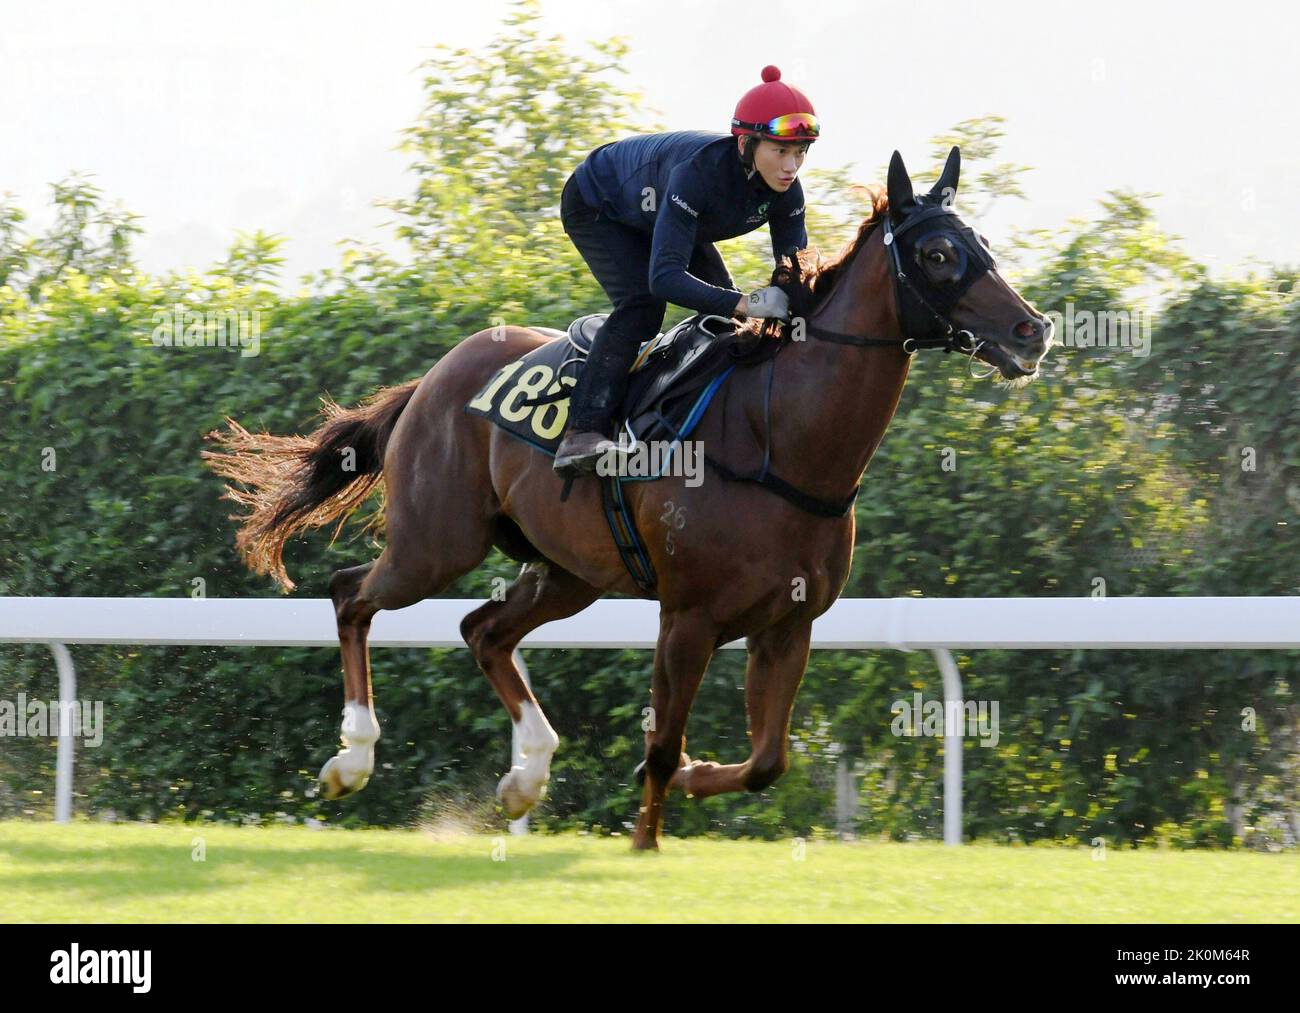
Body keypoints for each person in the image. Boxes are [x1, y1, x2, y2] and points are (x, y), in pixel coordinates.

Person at [553, 64, 819, 477]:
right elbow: (665, 278)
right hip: (599, 206)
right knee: (644, 303)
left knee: (724, 313)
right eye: (780, 151)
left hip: (659, 213)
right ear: (746, 144)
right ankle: (583, 431)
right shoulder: (698, 175)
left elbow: (794, 276)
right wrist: (747, 302)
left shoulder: (788, 191)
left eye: (800, 152)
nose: (791, 166)